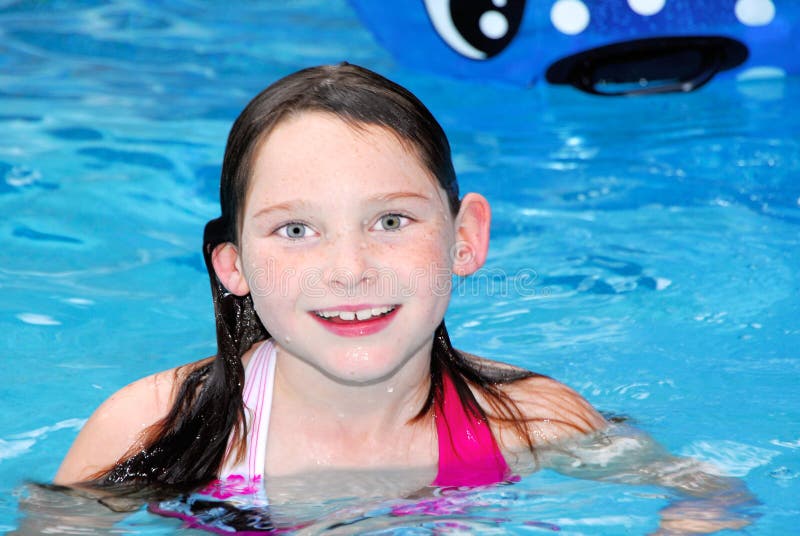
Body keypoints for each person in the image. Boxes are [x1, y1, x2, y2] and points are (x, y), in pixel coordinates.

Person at [53, 63, 751, 533]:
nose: (349, 269)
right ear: (234, 265)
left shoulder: (528, 421)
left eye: (390, 221)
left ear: (464, 239)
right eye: (296, 230)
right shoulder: (155, 430)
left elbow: (709, 491)